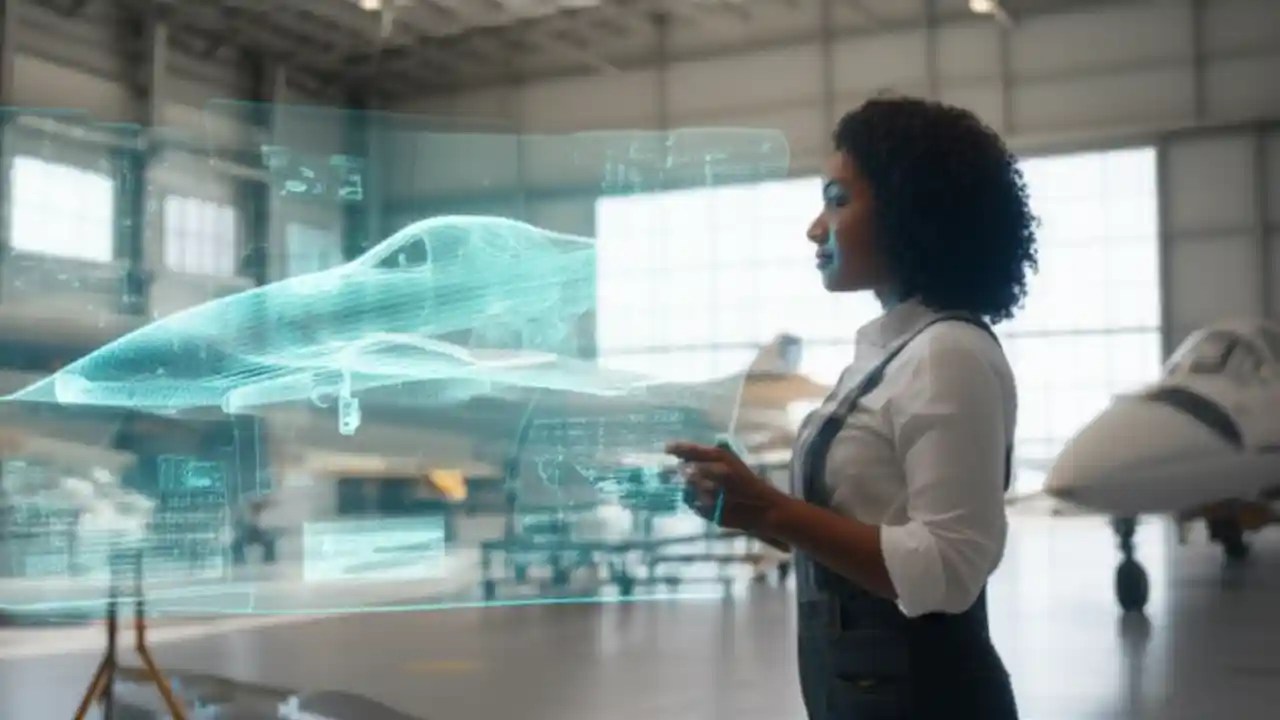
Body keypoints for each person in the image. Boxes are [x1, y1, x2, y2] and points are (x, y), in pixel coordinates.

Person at [668, 96, 1038, 720]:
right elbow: (866, 526)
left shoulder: (948, 354)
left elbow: (948, 570)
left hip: (925, 697)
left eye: (838, 201)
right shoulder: (890, 351)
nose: (817, 228)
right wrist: (753, 511)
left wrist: (777, 511)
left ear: (910, 212)